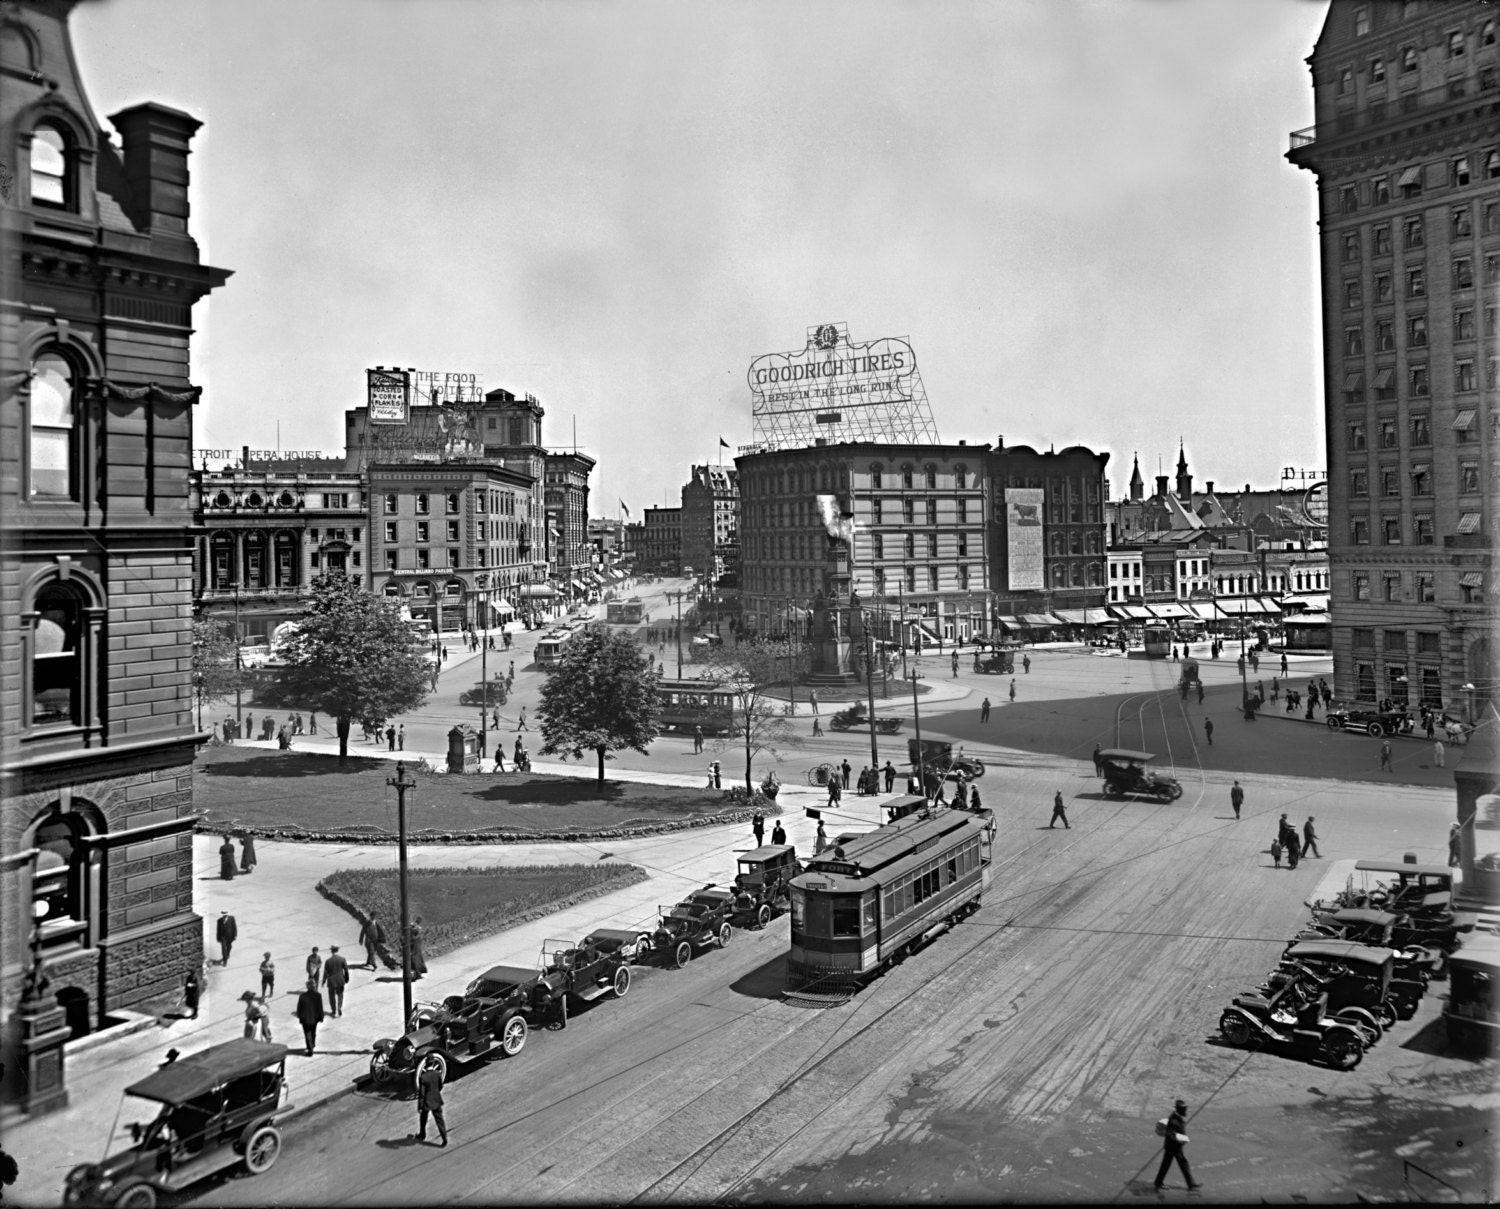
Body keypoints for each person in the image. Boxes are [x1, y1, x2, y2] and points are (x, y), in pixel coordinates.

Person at [1154, 1099, 1199, 1191]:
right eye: (1184, 1109)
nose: (1185, 1111)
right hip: (1172, 1147)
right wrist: (1180, 1139)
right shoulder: (1173, 1121)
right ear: (1179, 1110)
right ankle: (1191, 1184)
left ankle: (1191, 1184)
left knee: (1176, 1164)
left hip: (1175, 1147)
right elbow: (1170, 1135)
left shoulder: (1177, 1117)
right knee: (1175, 1164)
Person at [414, 1056, 449, 1146]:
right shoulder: (437, 1074)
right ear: (433, 1063)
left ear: (426, 1064)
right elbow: (440, 1086)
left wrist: (420, 1106)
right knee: (440, 1120)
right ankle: (444, 1138)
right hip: (436, 1100)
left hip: (427, 1102)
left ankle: (422, 1134)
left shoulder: (423, 1077)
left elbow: (422, 1094)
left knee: (423, 1119)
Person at [294, 978, 325, 1056]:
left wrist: (299, 1016)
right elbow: (320, 1007)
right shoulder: (318, 995)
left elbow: (299, 1007)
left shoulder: (303, 996)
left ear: (307, 987)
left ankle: (310, 1049)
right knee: (313, 1031)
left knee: (307, 1033)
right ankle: (312, 1044)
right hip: (315, 1017)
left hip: (305, 1018)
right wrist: (321, 1016)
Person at [323, 945, 349, 1016]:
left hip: (331, 981)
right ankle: (339, 1007)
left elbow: (325, 972)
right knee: (340, 995)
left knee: (331, 997)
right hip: (340, 980)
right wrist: (346, 979)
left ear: (331, 951)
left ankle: (333, 1010)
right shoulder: (342, 959)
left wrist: (323, 981)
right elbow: (346, 970)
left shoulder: (328, 961)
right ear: (337, 950)